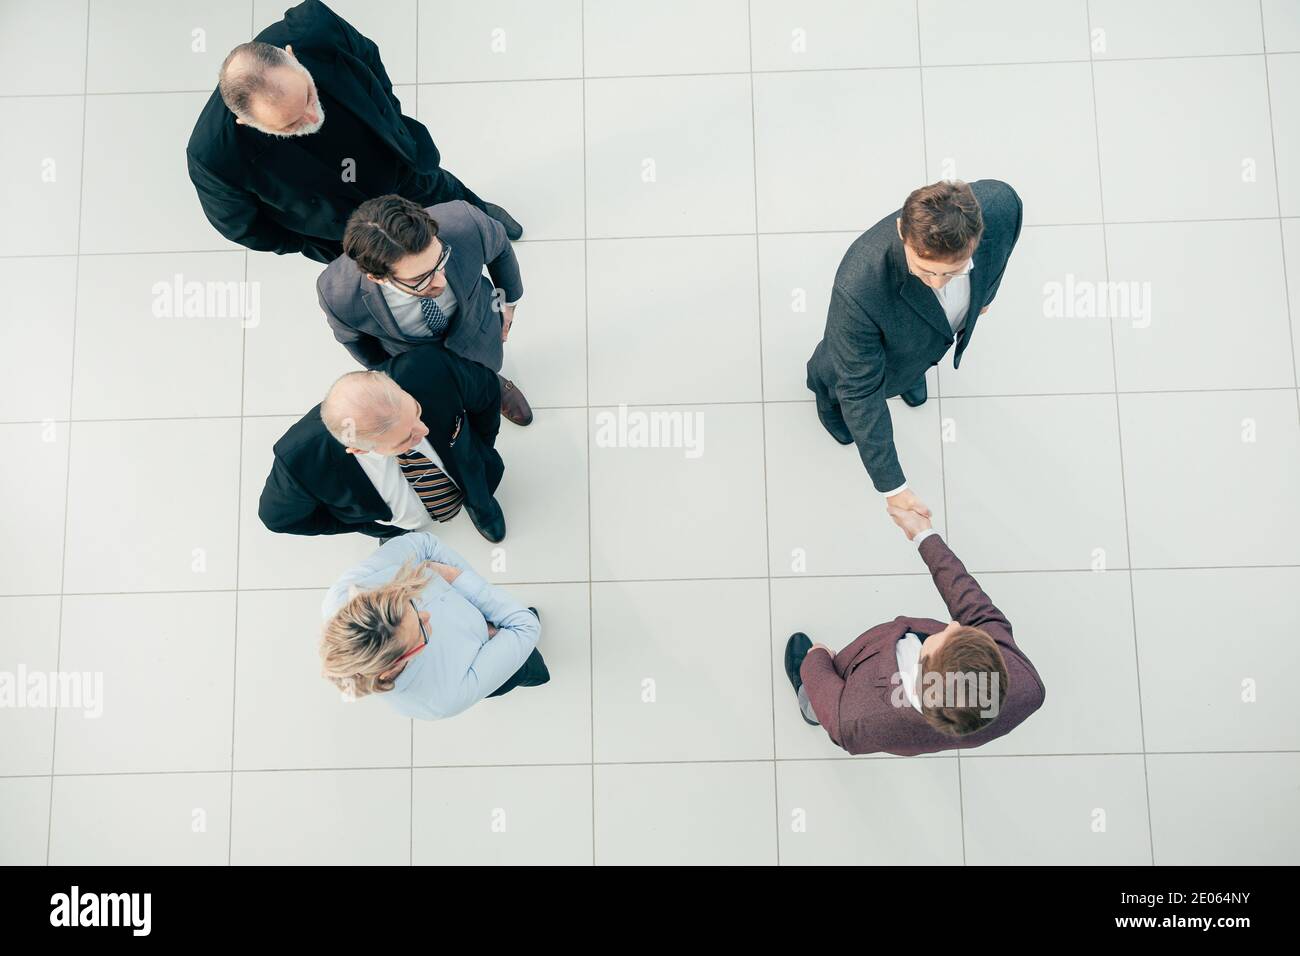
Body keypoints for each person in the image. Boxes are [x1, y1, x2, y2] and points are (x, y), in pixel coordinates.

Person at [186, 0, 521, 264]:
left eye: (307, 95)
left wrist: (390, 119)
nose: (312, 117)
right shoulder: (212, 157)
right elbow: (244, 229)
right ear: (247, 124)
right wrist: (315, 239)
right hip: (344, 224)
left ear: (291, 57)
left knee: (439, 189)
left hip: (389, 160)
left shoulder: (314, 26)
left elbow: (368, 56)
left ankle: (479, 218)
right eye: (290, 124)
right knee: (401, 269)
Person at [806, 179, 1022, 533]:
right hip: (859, 363)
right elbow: (860, 391)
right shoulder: (859, 284)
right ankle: (827, 403)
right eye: (926, 270)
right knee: (836, 381)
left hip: (916, 343)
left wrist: (985, 298)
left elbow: (1002, 253)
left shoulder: (1001, 205)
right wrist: (894, 488)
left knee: (911, 358)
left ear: (976, 238)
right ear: (901, 232)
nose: (938, 283)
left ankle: (909, 372)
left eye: (953, 272)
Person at [782, 506, 1045, 756]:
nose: (955, 624)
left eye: (947, 638)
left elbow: (837, 717)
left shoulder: (859, 719)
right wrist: (923, 534)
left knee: (818, 702)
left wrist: (817, 658)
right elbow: (976, 610)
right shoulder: (1025, 685)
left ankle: (808, 706)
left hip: (850, 679)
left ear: (921, 680)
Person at [258, 343, 509, 543]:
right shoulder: (299, 460)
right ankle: (398, 531)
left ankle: (480, 506)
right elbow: (278, 519)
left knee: (479, 491)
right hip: (392, 520)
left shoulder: (429, 367)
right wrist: (366, 523)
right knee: (397, 533)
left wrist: (482, 447)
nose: (424, 430)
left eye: (417, 411)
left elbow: (487, 393)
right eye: (407, 439)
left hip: (470, 478)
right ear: (358, 449)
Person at [318, 194, 532, 425]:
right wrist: (394, 376)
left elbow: (500, 249)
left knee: (484, 372)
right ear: (377, 278)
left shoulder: (465, 222)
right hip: (416, 361)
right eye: (420, 278)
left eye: (441, 260)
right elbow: (357, 343)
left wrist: (507, 304)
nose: (441, 281)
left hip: (477, 331)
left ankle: (492, 384)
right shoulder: (338, 295)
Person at [320, 532, 548, 720]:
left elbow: (424, 544)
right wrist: (456, 577)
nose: (427, 614)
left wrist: (465, 583)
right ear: (390, 669)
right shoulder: (441, 699)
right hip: (490, 662)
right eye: (421, 628)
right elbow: (526, 626)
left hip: (488, 630)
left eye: (411, 602)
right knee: (530, 668)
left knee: (515, 625)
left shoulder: (344, 594)